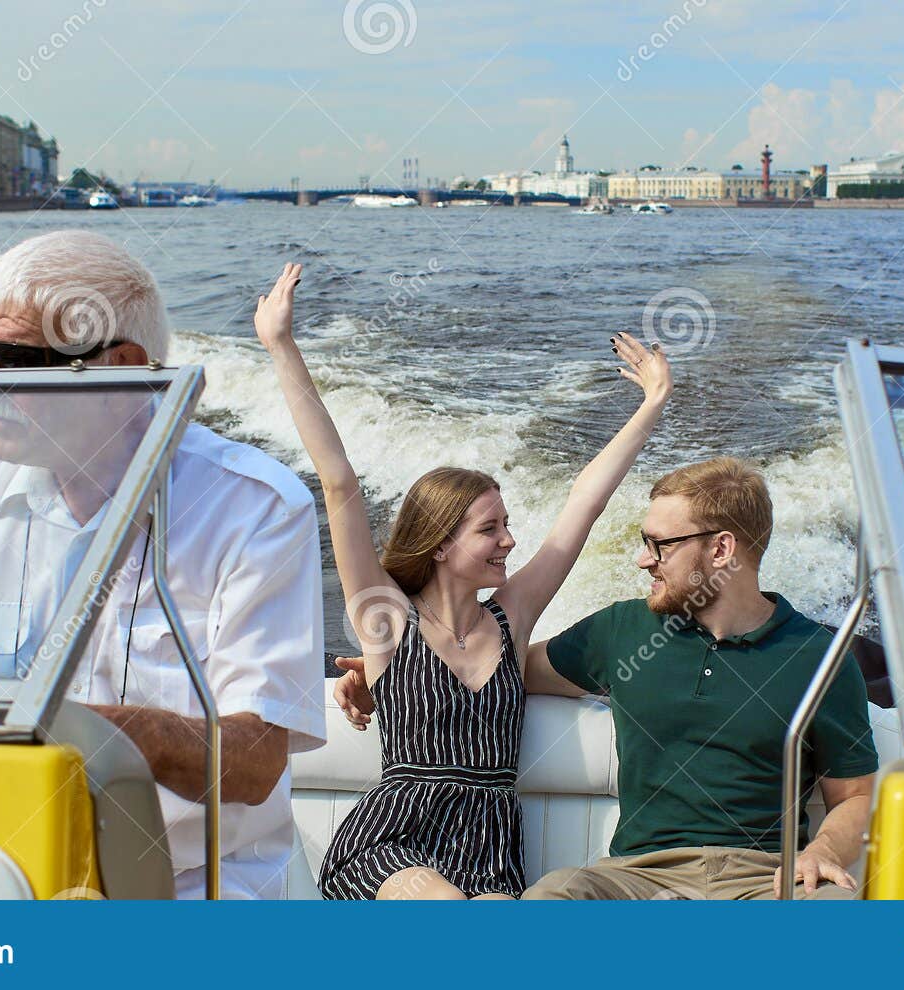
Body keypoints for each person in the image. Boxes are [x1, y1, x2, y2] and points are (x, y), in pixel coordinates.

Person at [0, 230, 327, 899]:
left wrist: (91, 736)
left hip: (191, 884)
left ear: (121, 368)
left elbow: (255, 763)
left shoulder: (256, 508)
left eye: (16, 360)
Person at [254, 262, 673, 899]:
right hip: (393, 842)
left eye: (507, 525)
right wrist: (281, 344)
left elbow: (584, 505)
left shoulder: (511, 617)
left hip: (489, 849)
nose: (509, 541)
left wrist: (653, 403)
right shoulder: (385, 617)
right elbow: (338, 482)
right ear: (442, 542)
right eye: (490, 529)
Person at [337, 457, 878, 899]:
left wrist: (824, 850)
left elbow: (855, 795)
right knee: (546, 903)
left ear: (721, 549)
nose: (643, 560)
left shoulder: (819, 657)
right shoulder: (622, 631)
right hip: (635, 880)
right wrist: (390, 675)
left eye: (660, 544)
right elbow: (495, 669)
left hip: (765, 880)